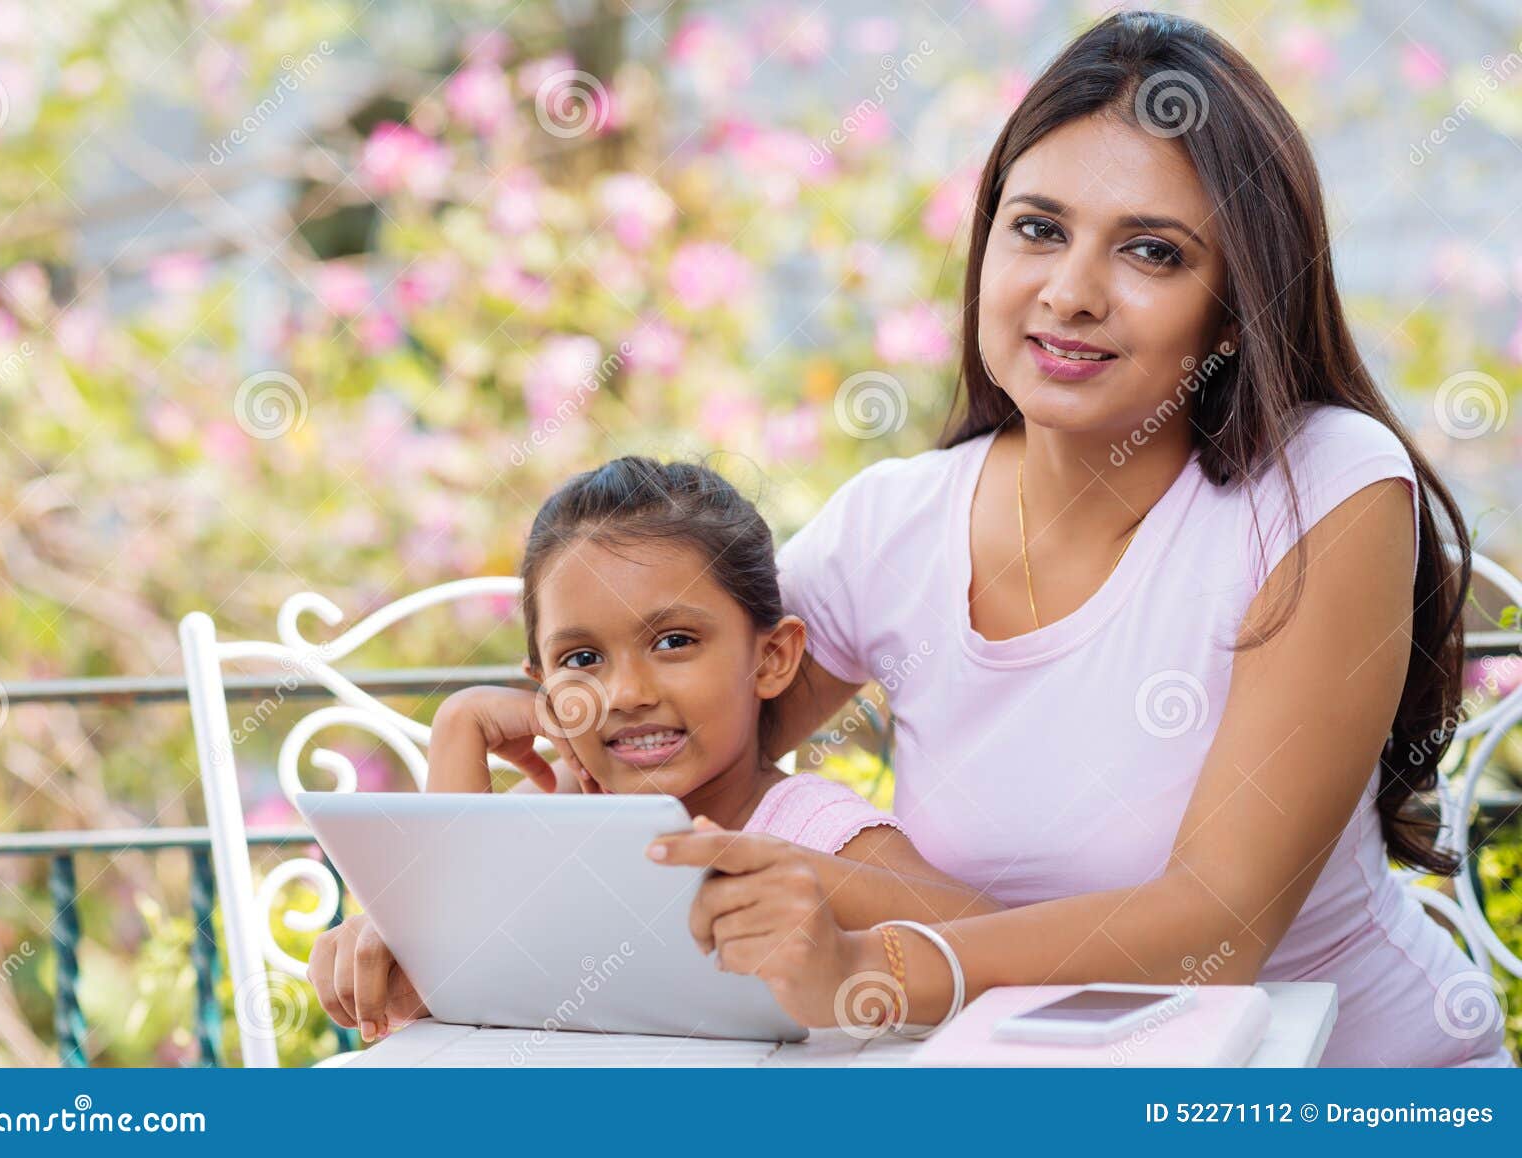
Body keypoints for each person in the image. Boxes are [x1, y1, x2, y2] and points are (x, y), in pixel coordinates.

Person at [645, 10, 1514, 1067]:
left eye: (1151, 251)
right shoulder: (895, 521)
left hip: (1346, 1086)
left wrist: (875, 967)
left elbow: (1217, 929)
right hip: (1035, 1096)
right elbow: (677, 772)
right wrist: (485, 754)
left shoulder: (1328, 485)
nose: (1069, 292)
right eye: (1038, 229)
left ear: (1236, 307)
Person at [306, 456, 995, 1042]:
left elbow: (995, 937)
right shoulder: (559, 815)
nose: (627, 692)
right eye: (582, 657)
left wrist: (807, 880)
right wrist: (459, 731)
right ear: (542, 686)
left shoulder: (810, 826)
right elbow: (444, 978)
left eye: (674, 642)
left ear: (772, 659)